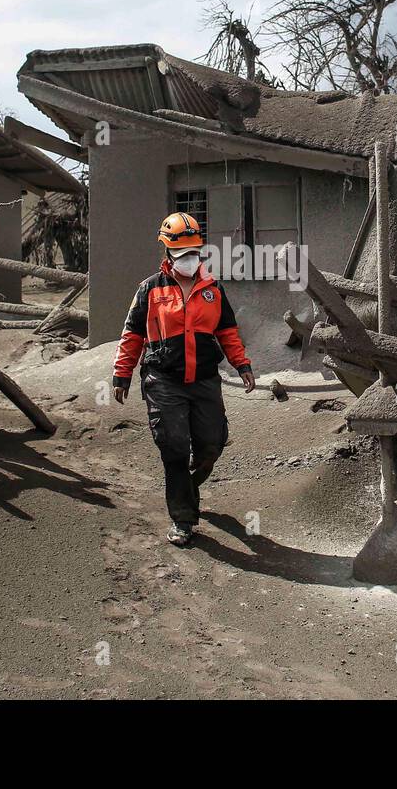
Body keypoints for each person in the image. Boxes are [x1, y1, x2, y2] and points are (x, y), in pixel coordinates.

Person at [112, 212, 256, 546]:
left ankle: (187, 488)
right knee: (174, 446)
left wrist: (242, 364)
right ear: (167, 254)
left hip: (205, 379)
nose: (190, 259)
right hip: (164, 380)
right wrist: (122, 373)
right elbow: (132, 334)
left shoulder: (213, 289)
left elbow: (228, 332)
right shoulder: (149, 289)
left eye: (195, 252)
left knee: (211, 444)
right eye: (182, 255)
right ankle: (183, 519)